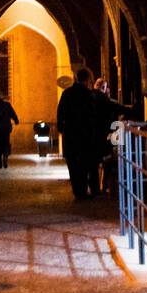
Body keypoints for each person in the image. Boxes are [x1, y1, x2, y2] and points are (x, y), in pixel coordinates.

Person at [56, 68, 99, 199]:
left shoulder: (67, 93)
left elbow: (60, 113)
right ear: (87, 80)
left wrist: (62, 130)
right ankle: (84, 190)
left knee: (73, 166)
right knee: (85, 165)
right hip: (85, 136)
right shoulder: (89, 95)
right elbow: (94, 115)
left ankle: (78, 192)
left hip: (70, 136)